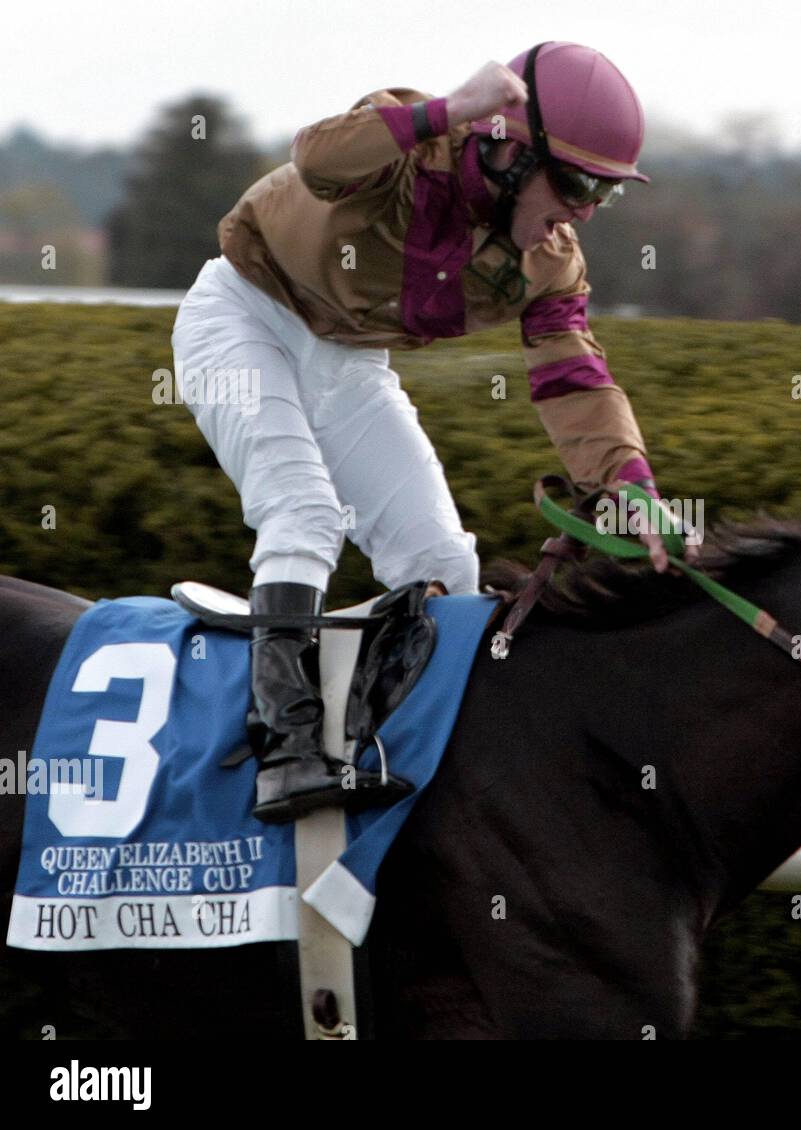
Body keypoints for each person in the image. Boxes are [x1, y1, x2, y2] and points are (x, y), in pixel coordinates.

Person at [171, 42, 690, 824]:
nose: (583, 211)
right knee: (305, 513)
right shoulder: (414, 143)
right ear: (510, 150)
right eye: (579, 182)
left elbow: (573, 374)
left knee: (446, 562)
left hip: (347, 361)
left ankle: (413, 750)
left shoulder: (552, 260)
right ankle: (286, 750)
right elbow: (317, 160)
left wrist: (631, 483)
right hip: (240, 317)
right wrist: (444, 111)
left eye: (604, 195)